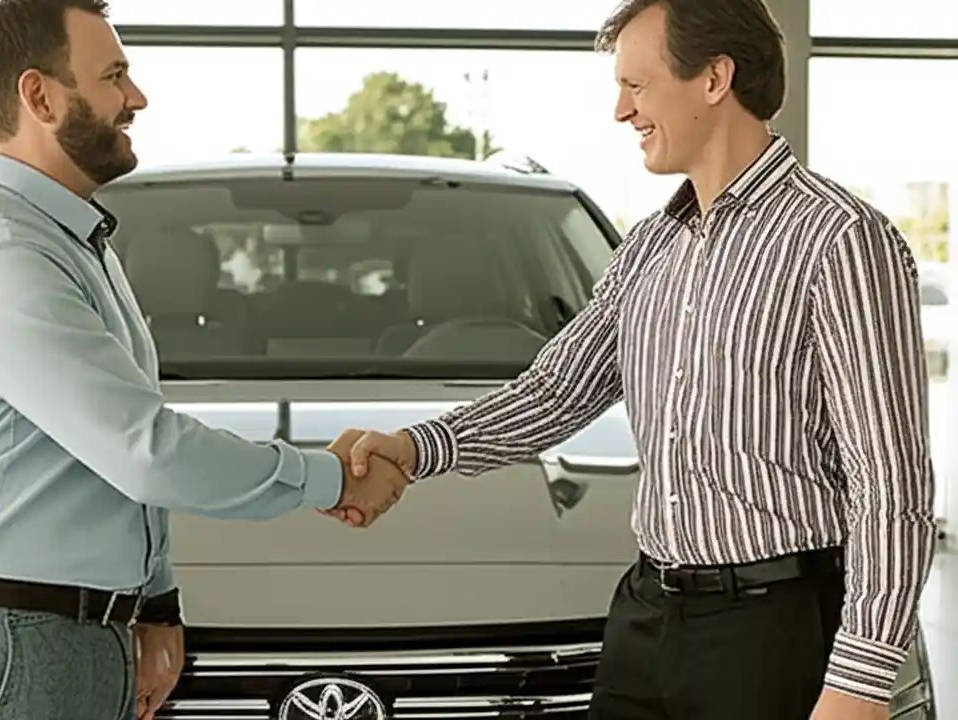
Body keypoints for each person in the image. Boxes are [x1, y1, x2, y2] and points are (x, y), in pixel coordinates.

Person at [330, 1, 938, 718]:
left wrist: (860, 685)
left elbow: (891, 485)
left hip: (772, 630)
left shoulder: (840, 241)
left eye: (637, 86)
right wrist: (410, 448)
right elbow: (556, 391)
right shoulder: (650, 245)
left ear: (714, 77)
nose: (621, 111)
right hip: (646, 617)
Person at [0, 2, 407, 719]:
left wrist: (155, 600)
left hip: (61, 635)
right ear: (39, 96)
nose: (137, 98)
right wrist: (327, 477)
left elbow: (115, 449)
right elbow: (145, 450)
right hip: (5, 649)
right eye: (115, 76)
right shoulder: (7, 258)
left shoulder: (71, 241)